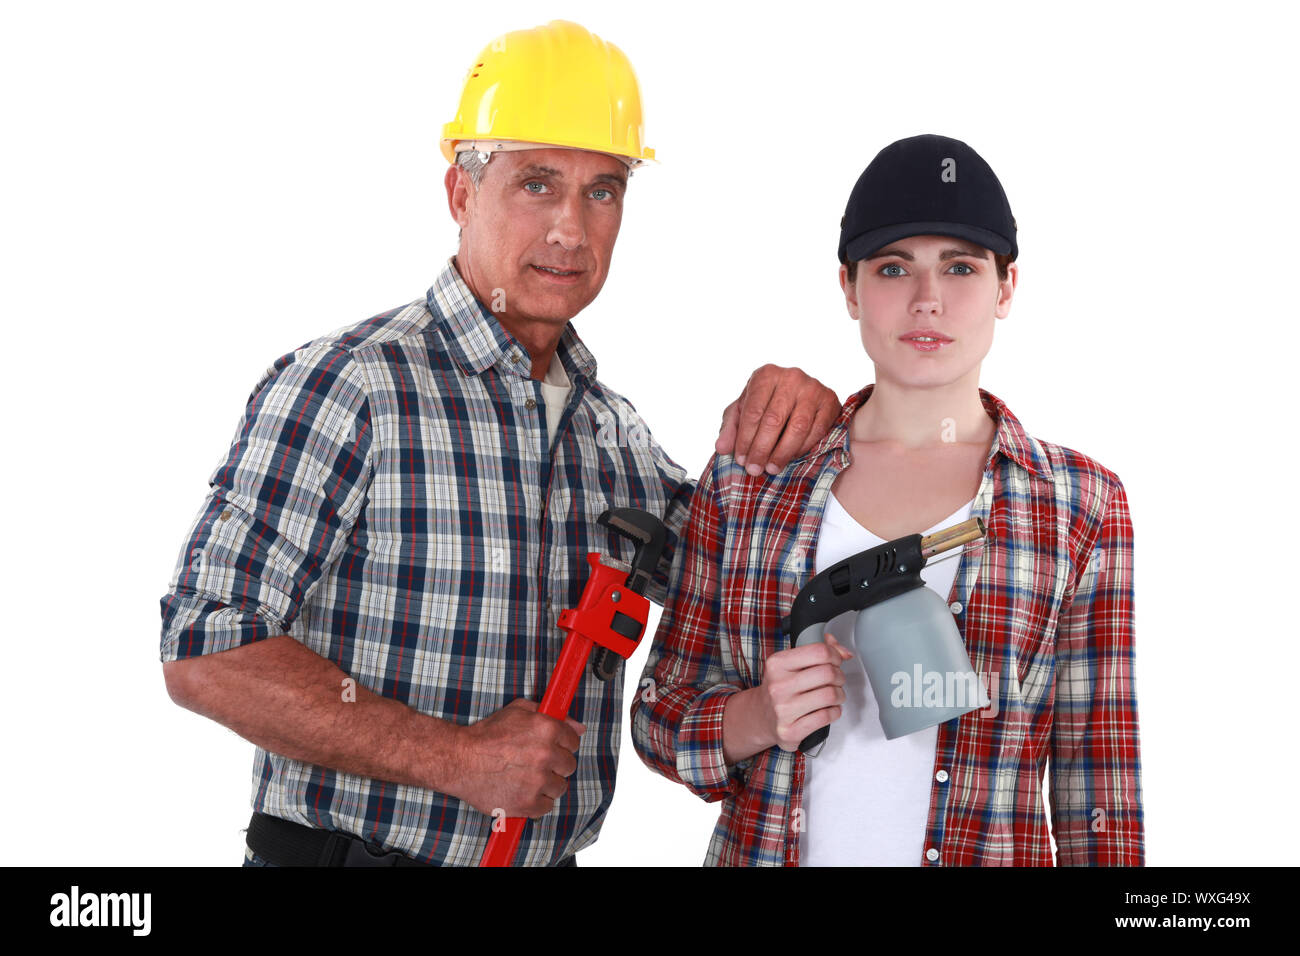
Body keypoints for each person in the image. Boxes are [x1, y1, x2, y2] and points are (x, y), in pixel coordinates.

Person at [157, 20, 840, 868]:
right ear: (459, 192)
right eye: (537, 184)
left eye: (603, 190)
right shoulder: (352, 388)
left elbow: (740, 573)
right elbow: (206, 647)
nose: (570, 229)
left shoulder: (610, 434)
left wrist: (802, 408)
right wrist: (455, 757)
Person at [630, 133, 1144, 866]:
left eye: (960, 267)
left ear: (1006, 288)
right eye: (894, 267)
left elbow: (1101, 789)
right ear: (850, 287)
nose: (927, 299)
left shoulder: (1080, 506)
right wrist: (753, 717)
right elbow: (658, 716)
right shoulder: (749, 480)